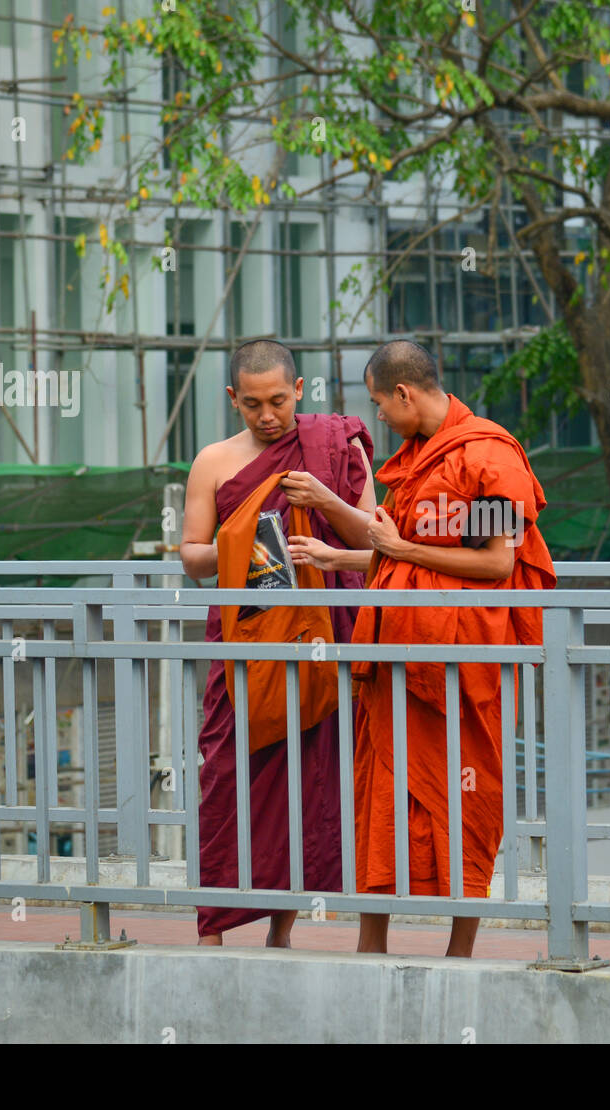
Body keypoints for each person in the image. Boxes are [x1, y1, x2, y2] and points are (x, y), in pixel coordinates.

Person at [290, 340, 555, 958]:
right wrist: (342, 556)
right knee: (379, 795)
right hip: (396, 660)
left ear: (405, 394)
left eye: (380, 403)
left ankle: (459, 952)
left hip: (462, 663)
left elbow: (491, 563)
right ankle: (370, 946)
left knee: (463, 797)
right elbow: (402, 558)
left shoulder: (488, 457)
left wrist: (398, 551)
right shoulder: (413, 459)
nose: (378, 415)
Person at [180, 338, 376, 947]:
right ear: (233, 399)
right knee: (228, 777)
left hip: (323, 640)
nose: (268, 417)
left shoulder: (335, 448)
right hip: (244, 641)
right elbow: (192, 557)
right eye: (253, 405)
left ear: (299, 390)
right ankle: (212, 927)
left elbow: (376, 542)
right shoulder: (213, 461)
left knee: (310, 780)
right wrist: (247, 544)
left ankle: (282, 928)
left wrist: (324, 500)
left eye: (278, 403)